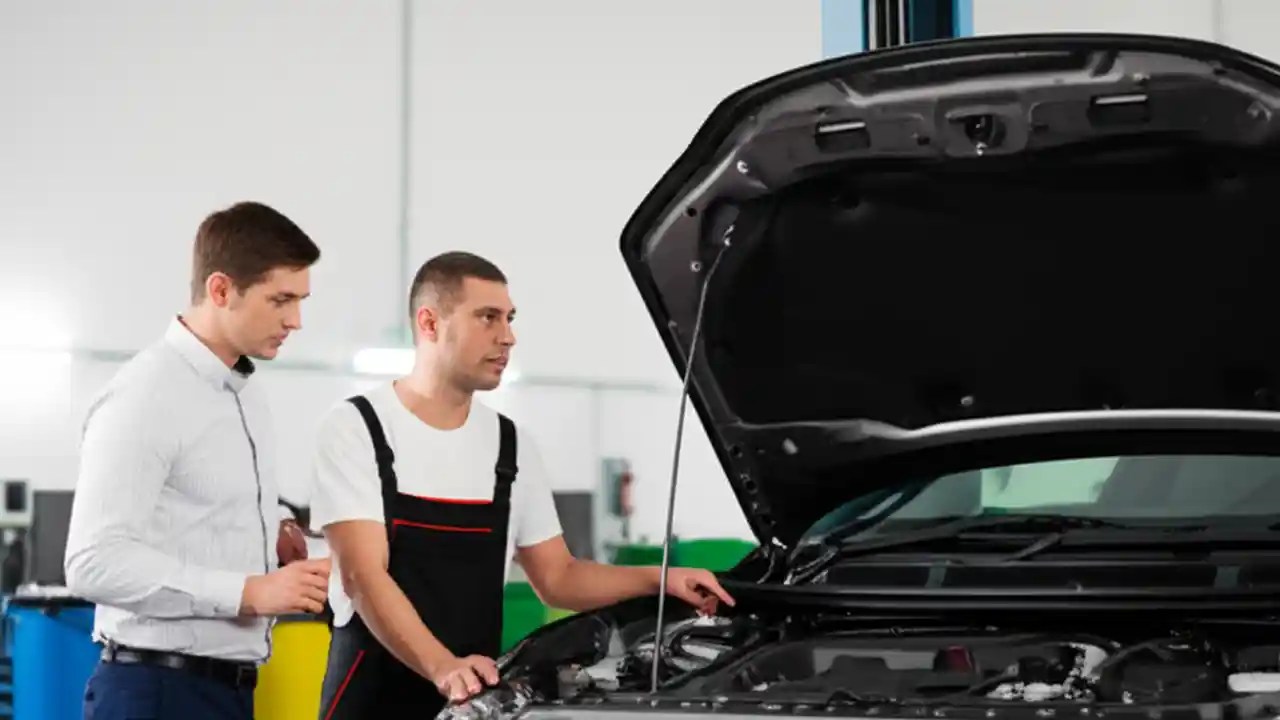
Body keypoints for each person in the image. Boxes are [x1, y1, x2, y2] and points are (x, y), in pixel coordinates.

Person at [312, 251, 735, 718]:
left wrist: (660, 580)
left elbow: (558, 578)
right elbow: (363, 577)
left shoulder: (510, 445)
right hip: (374, 697)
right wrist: (443, 668)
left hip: (470, 698)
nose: (508, 336)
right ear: (429, 323)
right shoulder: (357, 427)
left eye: (509, 319)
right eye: (487, 318)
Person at [64, 201, 333, 720]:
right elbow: (92, 561)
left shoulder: (242, 391)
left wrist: (272, 530)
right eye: (281, 300)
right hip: (157, 691)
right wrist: (249, 590)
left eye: (300, 301)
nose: (296, 321)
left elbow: (201, 498)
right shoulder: (146, 396)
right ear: (220, 290)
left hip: (224, 690)